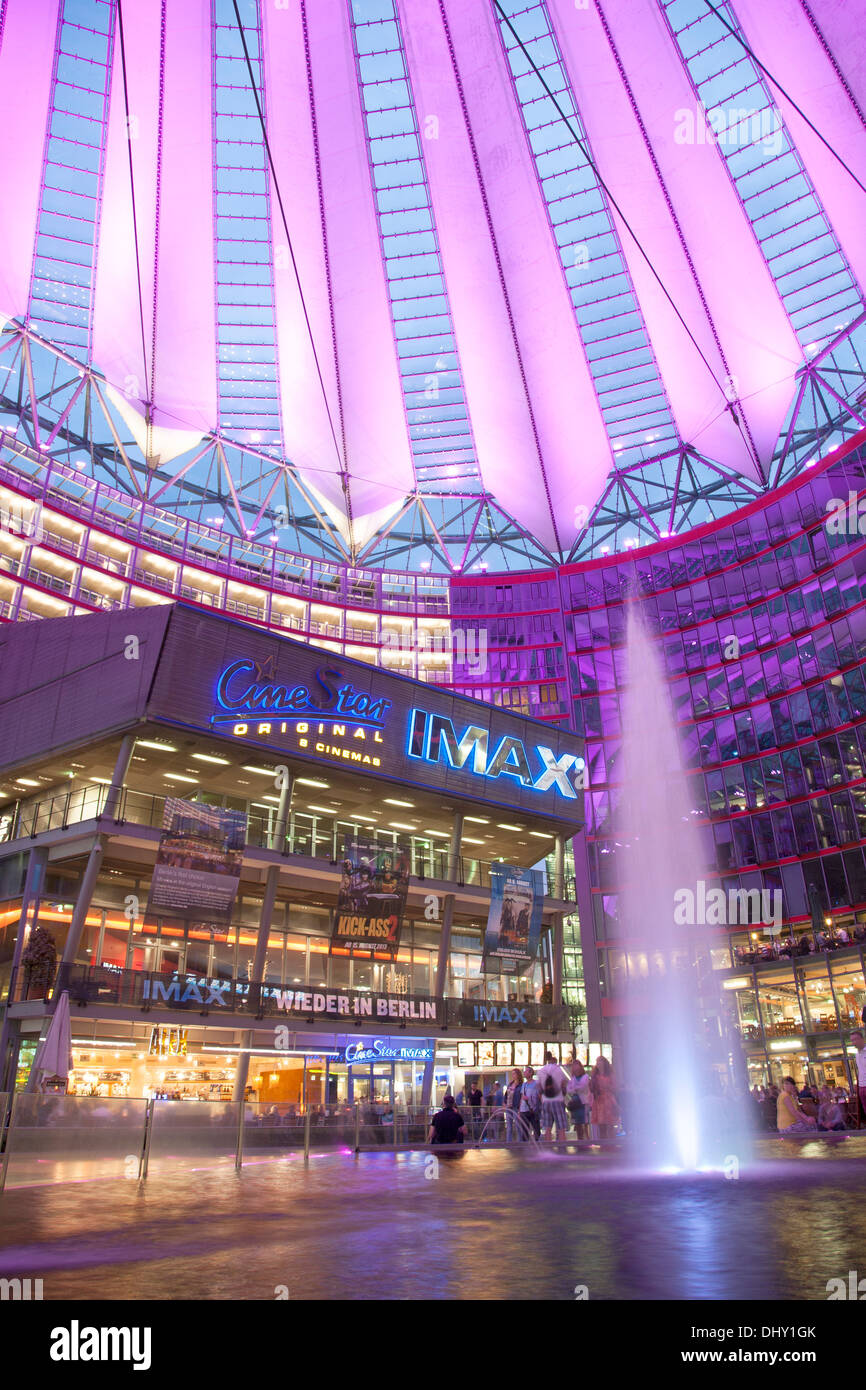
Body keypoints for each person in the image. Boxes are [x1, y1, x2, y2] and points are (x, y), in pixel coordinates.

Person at [536, 1050, 569, 1141]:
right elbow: (563, 1085)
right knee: (561, 1128)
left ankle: (548, 1150)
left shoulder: (541, 1071)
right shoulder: (559, 1070)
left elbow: (538, 1088)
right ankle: (562, 1149)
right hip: (558, 1101)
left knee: (547, 1129)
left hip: (546, 1102)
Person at [590, 1057, 619, 1141]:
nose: (598, 1063)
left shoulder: (610, 1075)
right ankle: (603, 1144)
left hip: (608, 1101)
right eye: (597, 1061)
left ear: (604, 1063)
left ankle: (611, 1144)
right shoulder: (595, 1076)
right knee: (601, 1125)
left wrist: (607, 1087)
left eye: (600, 1061)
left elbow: (615, 1088)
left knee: (610, 1124)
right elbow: (592, 1089)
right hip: (599, 1101)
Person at [566, 1058, 591, 1141]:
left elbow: (583, 1087)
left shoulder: (585, 1076)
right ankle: (580, 1139)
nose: (575, 1068)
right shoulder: (572, 1078)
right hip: (575, 1103)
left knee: (585, 1122)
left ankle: (587, 1139)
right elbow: (569, 1089)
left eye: (577, 1066)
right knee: (577, 1123)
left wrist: (575, 1088)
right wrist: (576, 1088)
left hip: (583, 1102)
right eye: (574, 1066)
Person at [519, 1065, 541, 1139]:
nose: (524, 1072)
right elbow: (521, 1097)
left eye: (526, 1071)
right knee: (524, 1129)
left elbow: (539, 1096)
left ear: (531, 1073)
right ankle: (525, 1144)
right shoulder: (524, 1085)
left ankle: (537, 1143)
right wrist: (519, 1110)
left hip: (533, 1109)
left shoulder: (536, 1084)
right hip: (524, 1110)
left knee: (536, 1128)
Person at [505, 1068, 524, 1142]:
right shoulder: (510, 1084)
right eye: (512, 1074)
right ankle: (508, 1142)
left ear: (518, 1075)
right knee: (509, 1126)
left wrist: (520, 1107)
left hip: (516, 1106)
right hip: (509, 1106)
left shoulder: (521, 1085)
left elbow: (521, 1096)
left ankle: (520, 1141)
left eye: (514, 1074)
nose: (513, 1075)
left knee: (517, 1125)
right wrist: (505, 1102)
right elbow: (506, 1094)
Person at [851, 1030, 866, 1124]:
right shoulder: (857, 1055)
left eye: (856, 1039)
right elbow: (860, 1070)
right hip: (862, 1086)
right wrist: (858, 1084)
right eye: (852, 1040)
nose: (854, 1042)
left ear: (862, 1039)